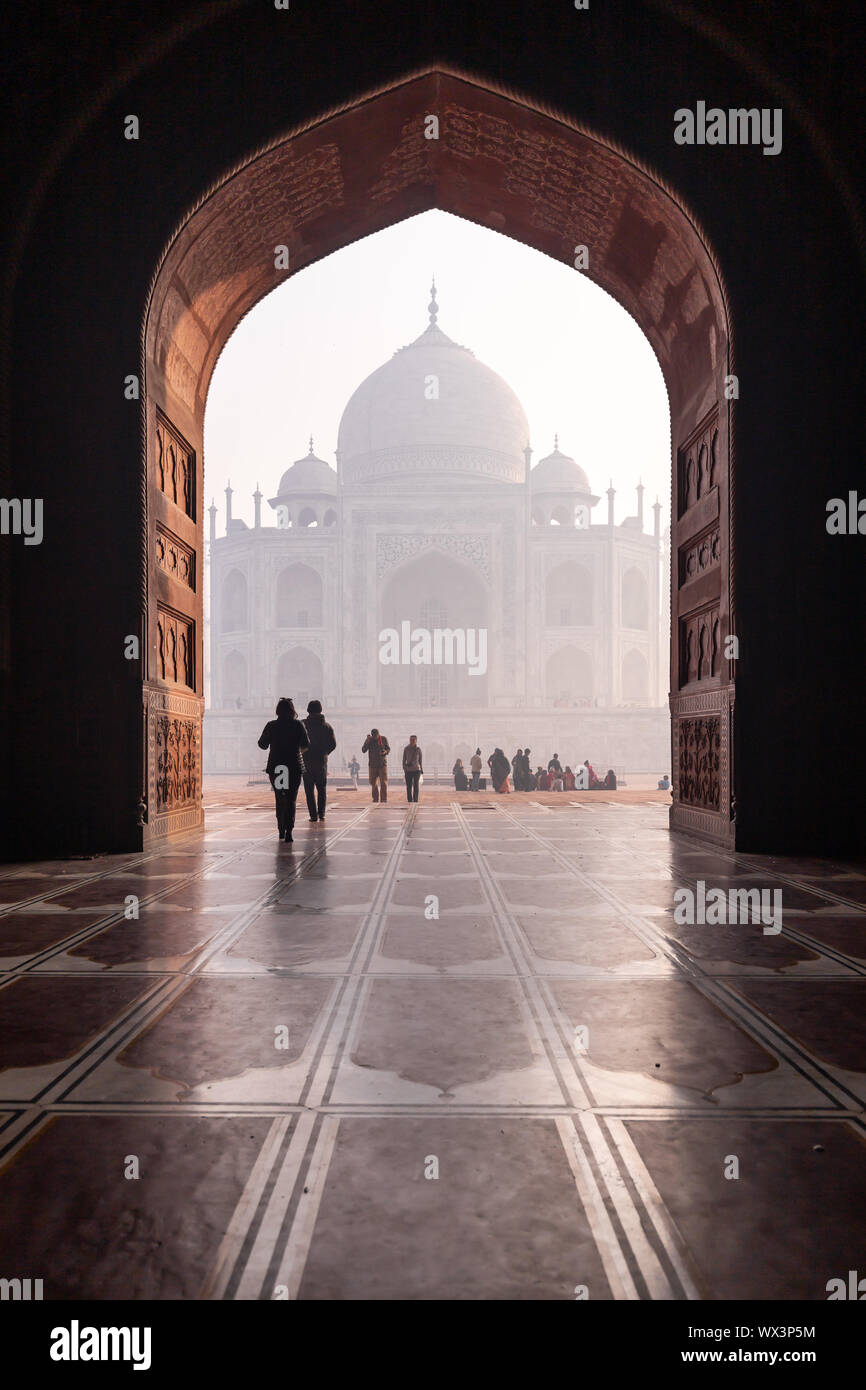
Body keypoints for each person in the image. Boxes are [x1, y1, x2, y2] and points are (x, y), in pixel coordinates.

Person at [257, 697, 309, 842]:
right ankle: (289, 832)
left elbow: (262, 744)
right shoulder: (298, 725)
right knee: (291, 799)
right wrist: (297, 751)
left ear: (278, 710)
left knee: (280, 798)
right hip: (294, 766)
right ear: (292, 710)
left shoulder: (271, 725)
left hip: (278, 767)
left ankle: (281, 828)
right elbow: (306, 744)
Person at [301, 699, 336, 822]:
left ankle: (313, 815)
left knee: (309, 790)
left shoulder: (303, 724)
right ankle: (321, 813)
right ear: (320, 710)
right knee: (321, 789)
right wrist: (325, 753)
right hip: (321, 762)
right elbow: (333, 744)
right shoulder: (327, 726)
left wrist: (302, 751)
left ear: (308, 710)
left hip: (306, 761)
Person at [362, 728, 391, 803]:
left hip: (382, 764)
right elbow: (363, 750)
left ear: (378, 734)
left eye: (376, 736)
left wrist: (385, 752)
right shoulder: (369, 740)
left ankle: (383, 799)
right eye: (374, 736)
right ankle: (375, 799)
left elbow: (388, 749)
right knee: (373, 783)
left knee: (383, 783)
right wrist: (367, 741)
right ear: (372, 735)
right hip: (372, 765)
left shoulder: (384, 739)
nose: (375, 738)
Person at [402, 734, 423, 802]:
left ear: (416, 741)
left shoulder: (418, 749)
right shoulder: (406, 749)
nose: (412, 741)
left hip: (416, 770)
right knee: (409, 786)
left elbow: (420, 760)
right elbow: (404, 759)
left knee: (416, 785)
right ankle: (409, 799)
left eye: (413, 740)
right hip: (408, 770)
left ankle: (415, 799)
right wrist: (404, 768)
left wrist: (421, 769)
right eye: (411, 740)